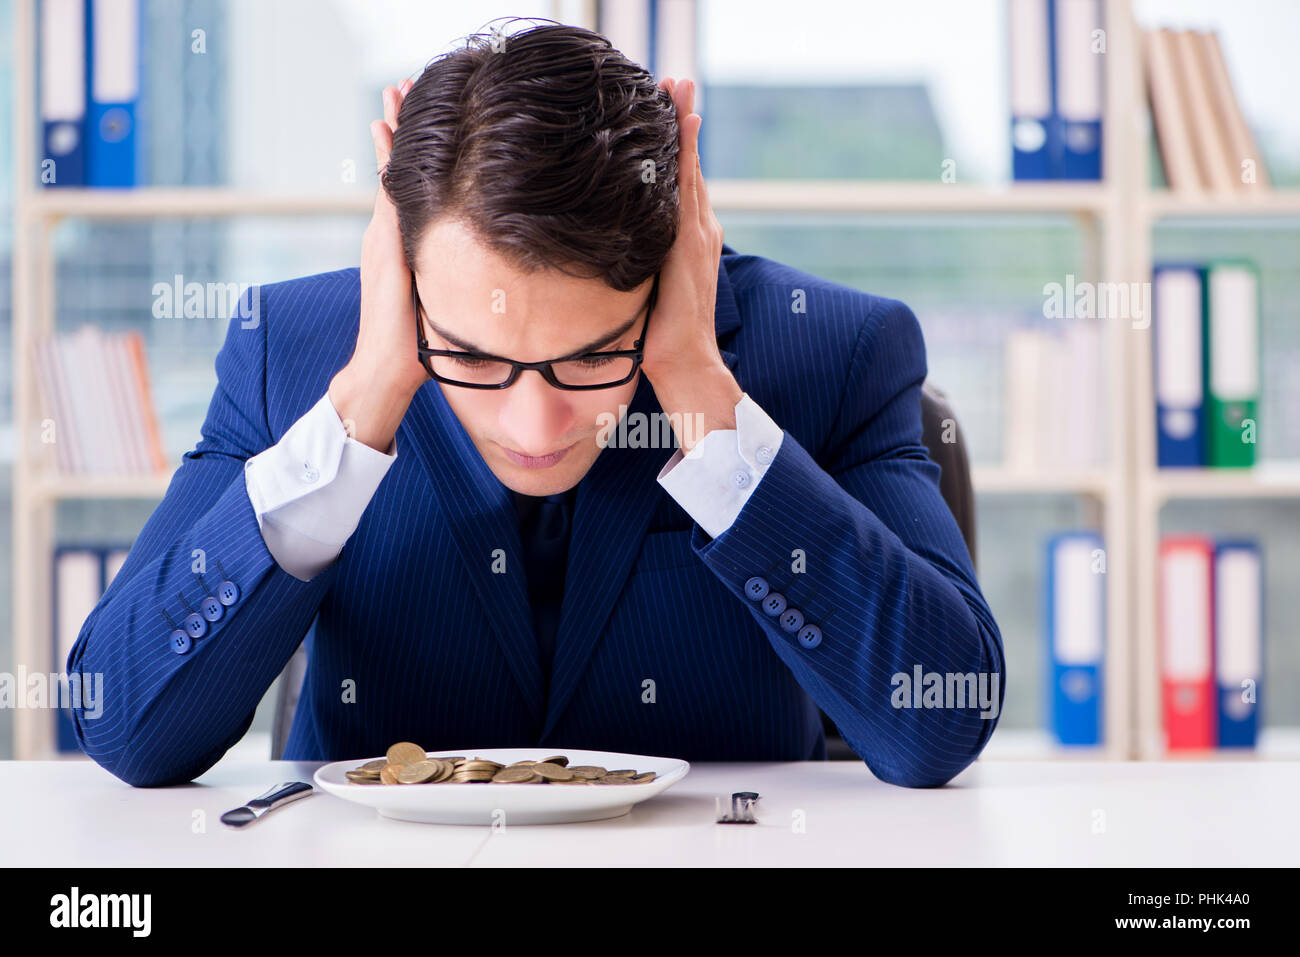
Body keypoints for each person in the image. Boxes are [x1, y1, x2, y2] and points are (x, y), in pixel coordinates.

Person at [68, 22, 1004, 789]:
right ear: (404, 254)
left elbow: (940, 726)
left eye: (595, 354)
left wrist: (700, 397)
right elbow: (126, 726)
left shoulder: (833, 352)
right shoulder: (295, 352)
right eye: (473, 354)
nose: (533, 427)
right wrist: (363, 405)